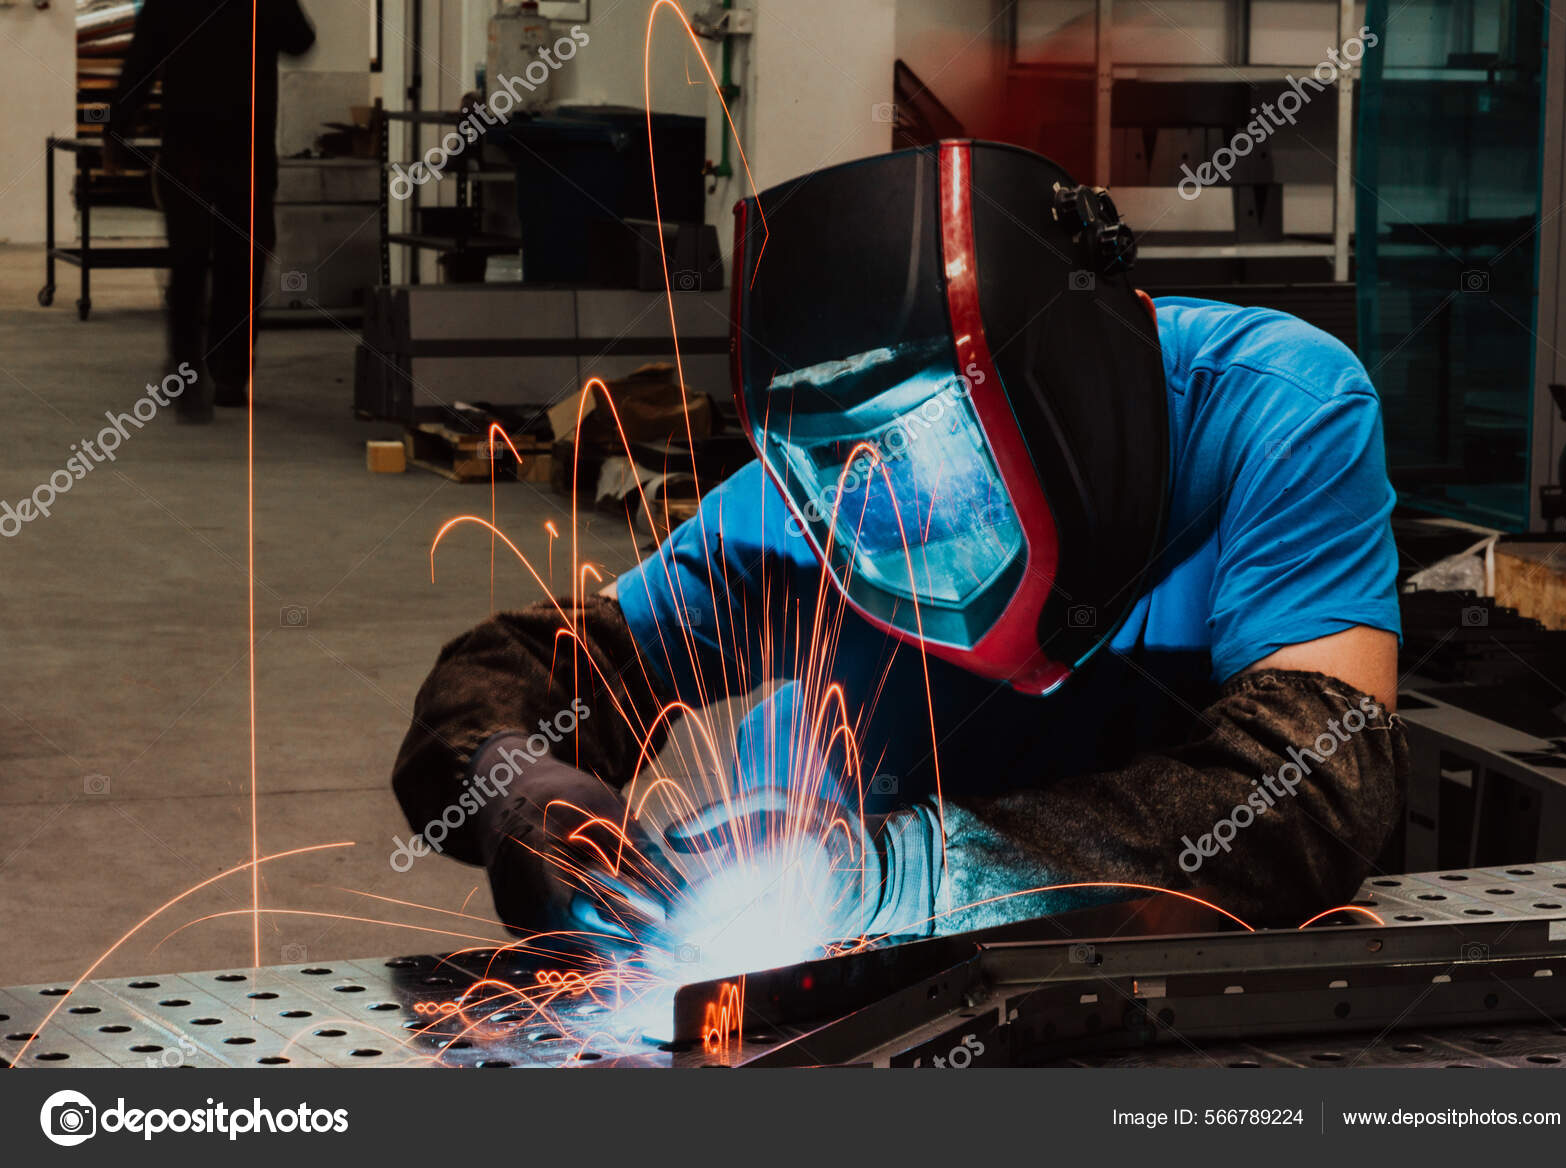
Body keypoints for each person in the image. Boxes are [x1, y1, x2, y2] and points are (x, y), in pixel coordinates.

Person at [392, 141, 1406, 943]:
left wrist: (897, 871)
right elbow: (526, 665)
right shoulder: (809, 503)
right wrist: (510, 783)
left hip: (1141, 967)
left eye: (932, 456)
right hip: (857, 968)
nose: (888, 511)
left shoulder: (1275, 413)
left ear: (1075, 393)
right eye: (841, 469)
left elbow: (1311, 792)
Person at [108, 0, 316, 422]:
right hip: (246, 152)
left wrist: (116, 131)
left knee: (189, 264)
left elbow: (140, 63)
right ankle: (229, 373)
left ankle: (187, 378)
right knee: (241, 262)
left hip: (189, 153)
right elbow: (302, 39)